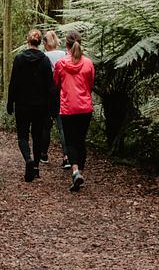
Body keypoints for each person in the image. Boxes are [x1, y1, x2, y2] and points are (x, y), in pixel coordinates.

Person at [6, 28, 56, 183]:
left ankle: (28, 159)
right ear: (40, 42)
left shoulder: (19, 59)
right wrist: (52, 106)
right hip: (40, 106)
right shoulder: (45, 60)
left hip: (22, 105)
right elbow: (50, 86)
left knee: (22, 136)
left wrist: (10, 102)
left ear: (28, 40)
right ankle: (35, 168)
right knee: (37, 135)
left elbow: (13, 82)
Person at [54, 28, 95, 192]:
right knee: (80, 141)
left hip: (68, 108)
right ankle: (79, 173)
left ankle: (76, 170)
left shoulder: (61, 64)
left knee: (70, 141)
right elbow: (90, 83)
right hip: (85, 107)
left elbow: (56, 83)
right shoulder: (88, 63)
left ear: (67, 44)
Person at [42, 30, 67, 166]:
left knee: (46, 126)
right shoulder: (63, 54)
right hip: (61, 93)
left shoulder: (44, 56)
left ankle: (44, 154)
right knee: (62, 126)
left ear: (46, 43)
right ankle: (66, 156)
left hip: (47, 94)